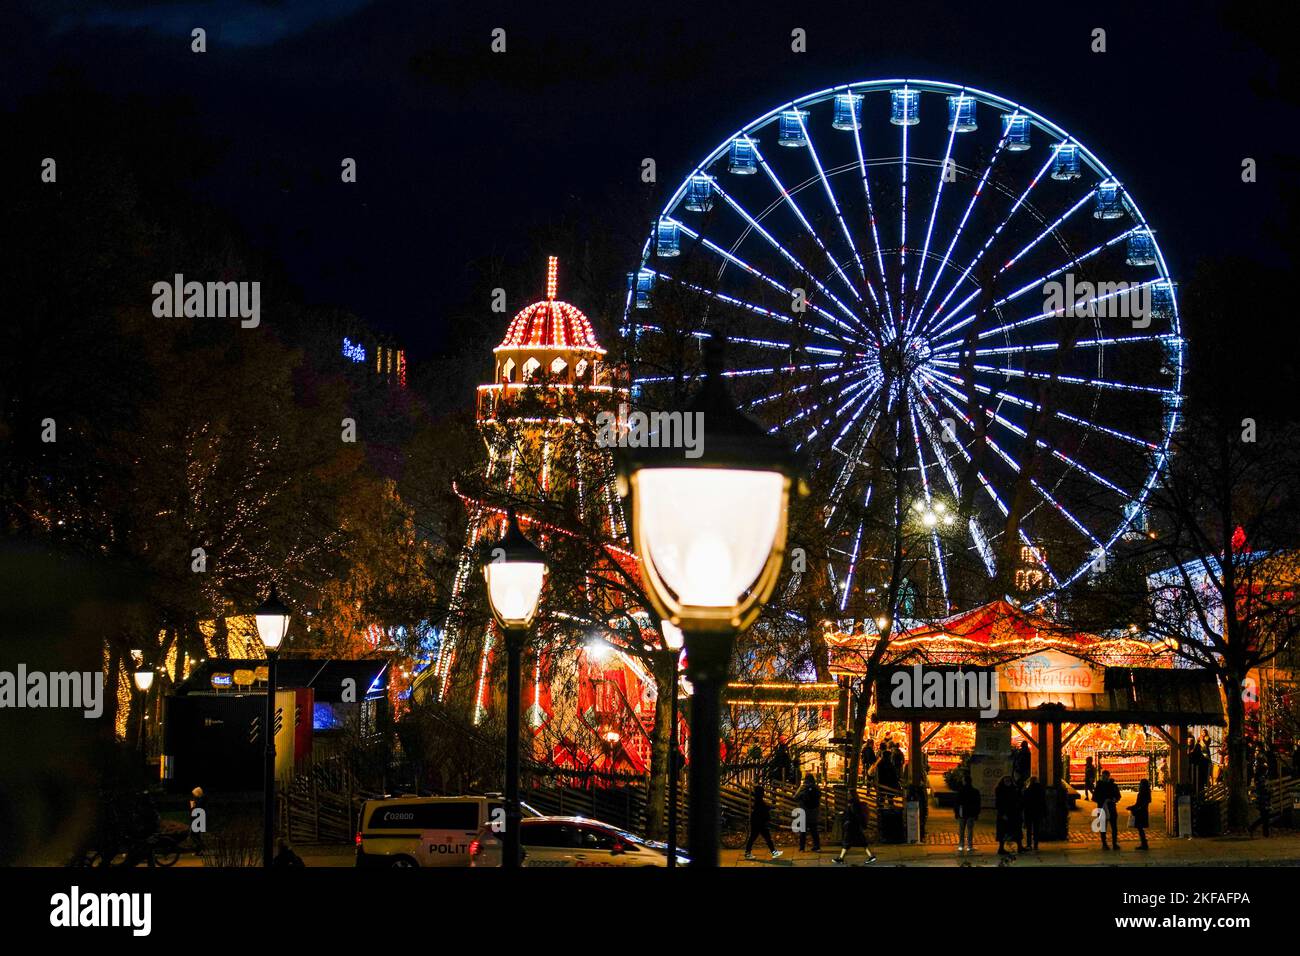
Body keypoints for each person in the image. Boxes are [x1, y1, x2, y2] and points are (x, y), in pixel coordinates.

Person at [834, 793, 877, 865]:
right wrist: (844, 813)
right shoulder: (854, 804)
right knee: (862, 842)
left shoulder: (854, 805)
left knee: (847, 842)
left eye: (849, 794)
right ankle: (871, 856)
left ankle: (841, 859)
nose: (848, 795)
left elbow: (854, 816)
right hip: (855, 827)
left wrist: (844, 815)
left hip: (852, 827)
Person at [743, 784, 782, 860]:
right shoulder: (759, 800)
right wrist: (767, 811)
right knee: (754, 837)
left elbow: (762, 810)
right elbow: (762, 811)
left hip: (759, 822)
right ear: (760, 792)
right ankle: (747, 853)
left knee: (767, 838)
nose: (764, 793)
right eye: (762, 791)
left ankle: (774, 852)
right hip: (758, 823)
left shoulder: (758, 800)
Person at [994, 775, 1023, 855]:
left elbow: (1018, 800)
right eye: (1006, 780)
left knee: (1016, 830)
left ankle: (1019, 846)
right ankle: (1001, 848)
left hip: (1014, 813)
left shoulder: (1014, 789)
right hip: (1005, 813)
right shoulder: (1000, 790)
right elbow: (999, 803)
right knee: (1003, 832)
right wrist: (1002, 813)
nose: (1008, 782)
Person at [1094, 769, 1121, 850]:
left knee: (1113, 827)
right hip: (1104, 807)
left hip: (1110, 807)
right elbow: (1095, 797)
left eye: (1105, 776)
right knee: (1104, 827)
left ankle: (1113, 843)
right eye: (1103, 776)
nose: (1104, 777)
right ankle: (1105, 844)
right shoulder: (1100, 785)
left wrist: (1113, 799)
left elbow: (1118, 796)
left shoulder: (1112, 785)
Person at [794, 773, 821, 852]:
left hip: (804, 811)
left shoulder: (802, 787)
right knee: (814, 831)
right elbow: (819, 796)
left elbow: (795, 797)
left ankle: (802, 848)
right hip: (814, 812)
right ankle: (817, 846)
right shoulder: (816, 788)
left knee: (803, 831)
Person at [955, 772, 982, 853]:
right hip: (971, 812)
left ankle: (961, 845)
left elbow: (957, 802)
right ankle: (969, 846)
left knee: (961, 829)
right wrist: (977, 813)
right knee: (970, 830)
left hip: (962, 812)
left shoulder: (960, 791)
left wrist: (956, 812)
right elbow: (978, 803)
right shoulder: (975, 791)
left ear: (964, 781)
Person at [1248, 753, 1272, 837]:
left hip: (1262, 796)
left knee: (1265, 816)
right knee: (1265, 816)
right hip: (1263, 797)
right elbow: (1263, 785)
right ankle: (1257, 830)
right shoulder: (1261, 774)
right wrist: (1268, 790)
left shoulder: (1259, 773)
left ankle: (1263, 832)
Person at [1022, 775, 1046, 850]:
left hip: (1029, 811)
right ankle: (1036, 844)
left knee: (1029, 829)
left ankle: (1029, 844)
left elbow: (1024, 801)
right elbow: (1043, 801)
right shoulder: (1041, 789)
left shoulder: (1027, 790)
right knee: (1036, 828)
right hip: (1037, 811)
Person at [1129, 778, 1152, 850]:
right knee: (1140, 828)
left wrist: (1132, 807)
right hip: (1144, 811)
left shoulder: (1142, 793)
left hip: (1140, 812)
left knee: (1140, 828)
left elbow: (1138, 804)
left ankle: (1144, 843)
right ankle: (1144, 843)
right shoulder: (1147, 792)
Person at [188, 786, 206, 853]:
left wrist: (193, 806)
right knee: (197, 835)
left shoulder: (201, 800)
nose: (194, 795)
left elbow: (197, 809)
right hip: (198, 819)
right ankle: (200, 849)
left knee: (194, 835)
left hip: (198, 820)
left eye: (195, 794)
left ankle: (200, 848)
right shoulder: (200, 799)